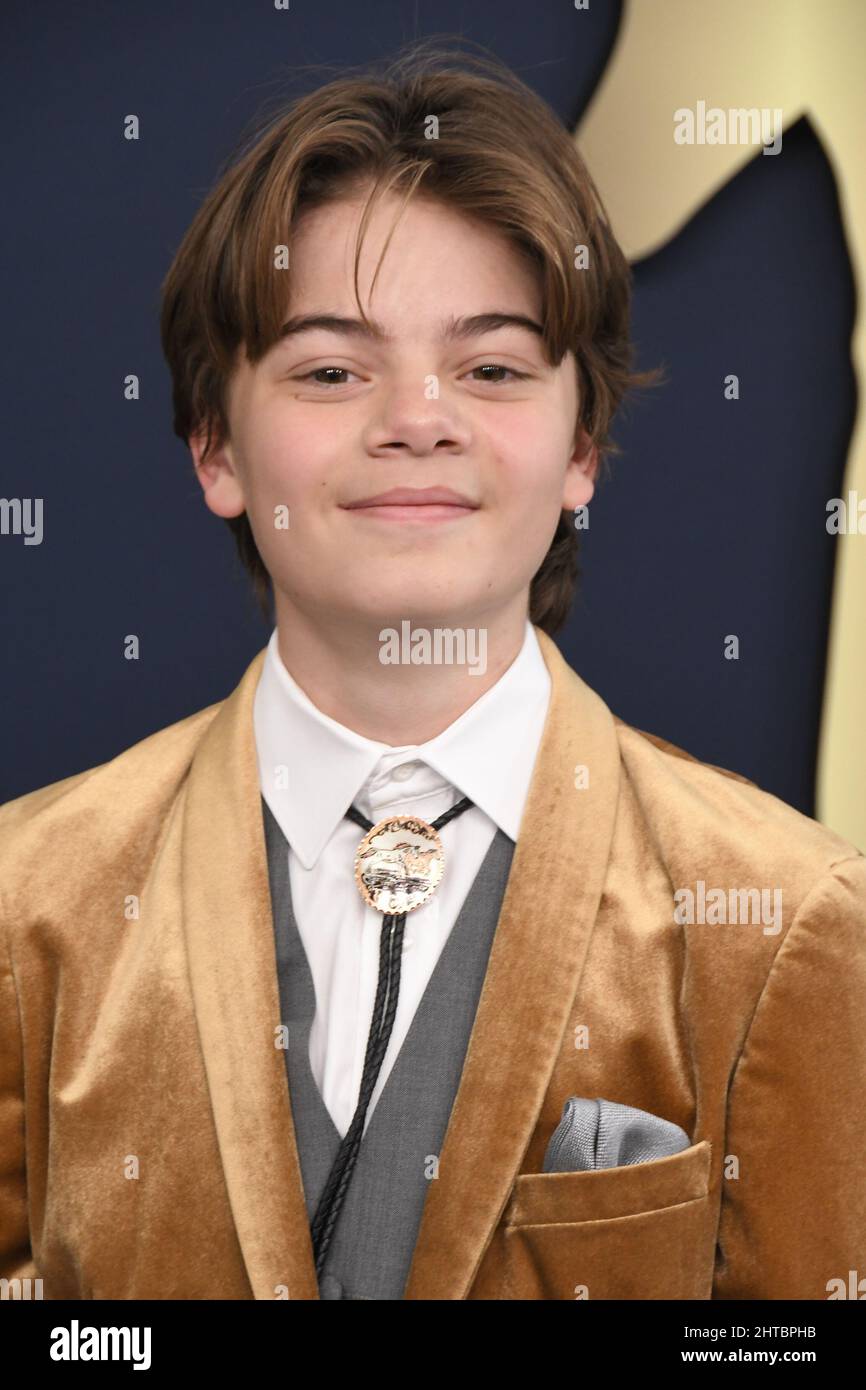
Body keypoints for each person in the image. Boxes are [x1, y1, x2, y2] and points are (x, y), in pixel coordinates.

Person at [1, 42, 864, 1302]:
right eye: (330, 369)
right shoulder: (26, 904)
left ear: (582, 448)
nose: (416, 416)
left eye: (493, 367)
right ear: (213, 447)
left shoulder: (793, 920)